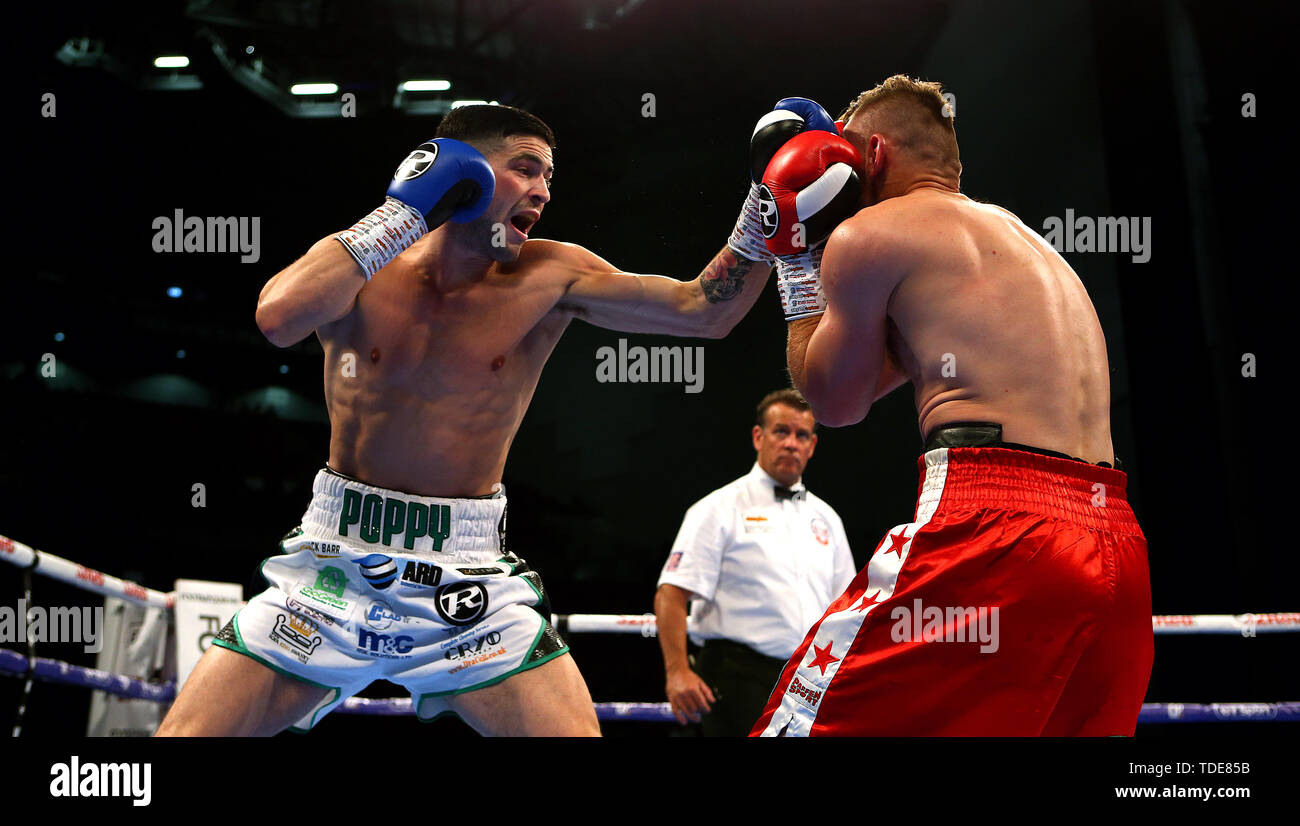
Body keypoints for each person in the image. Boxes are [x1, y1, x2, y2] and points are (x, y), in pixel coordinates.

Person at [155, 103, 782, 737]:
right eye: (526, 168)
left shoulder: (550, 273)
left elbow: (703, 310)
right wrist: (406, 212)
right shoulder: (358, 268)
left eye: (548, 178)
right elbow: (278, 316)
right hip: (329, 569)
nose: (542, 191)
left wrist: (768, 202)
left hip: (468, 582)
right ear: (462, 171)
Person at [749, 77, 1153, 736]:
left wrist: (793, 252)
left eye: (844, 156)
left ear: (872, 154)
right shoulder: (1033, 250)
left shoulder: (871, 236)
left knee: (798, 727)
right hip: (1116, 549)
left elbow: (831, 399)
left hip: (994, 530)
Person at [653, 389, 855, 736]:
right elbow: (670, 594)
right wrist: (676, 671)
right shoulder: (717, 508)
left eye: (801, 435)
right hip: (734, 675)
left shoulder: (828, 519)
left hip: (807, 679)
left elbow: (847, 608)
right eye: (781, 431)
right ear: (758, 437)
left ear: (812, 446)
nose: (791, 443)